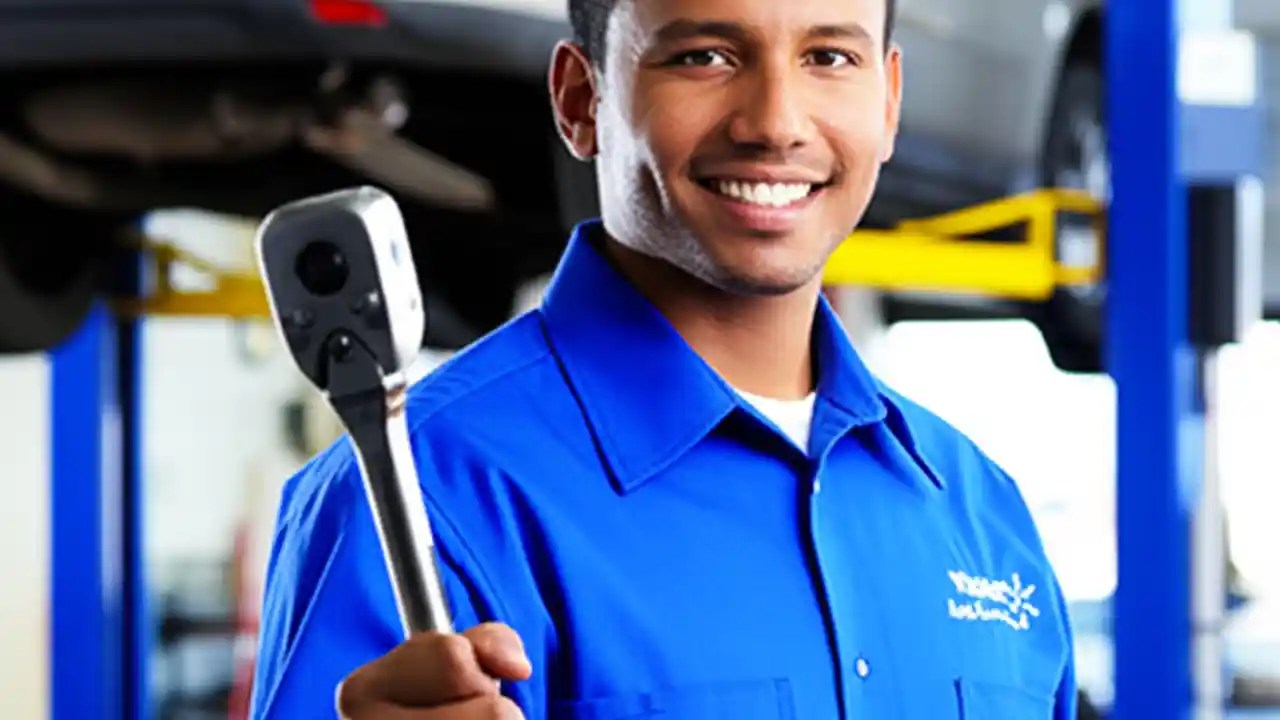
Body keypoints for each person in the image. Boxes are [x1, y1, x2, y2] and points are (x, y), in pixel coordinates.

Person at [249, 0, 1078, 717]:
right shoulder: (421, 496)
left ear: (888, 100)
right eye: (704, 57)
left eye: (829, 57)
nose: (776, 122)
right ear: (581, 100)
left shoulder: (980, 515)